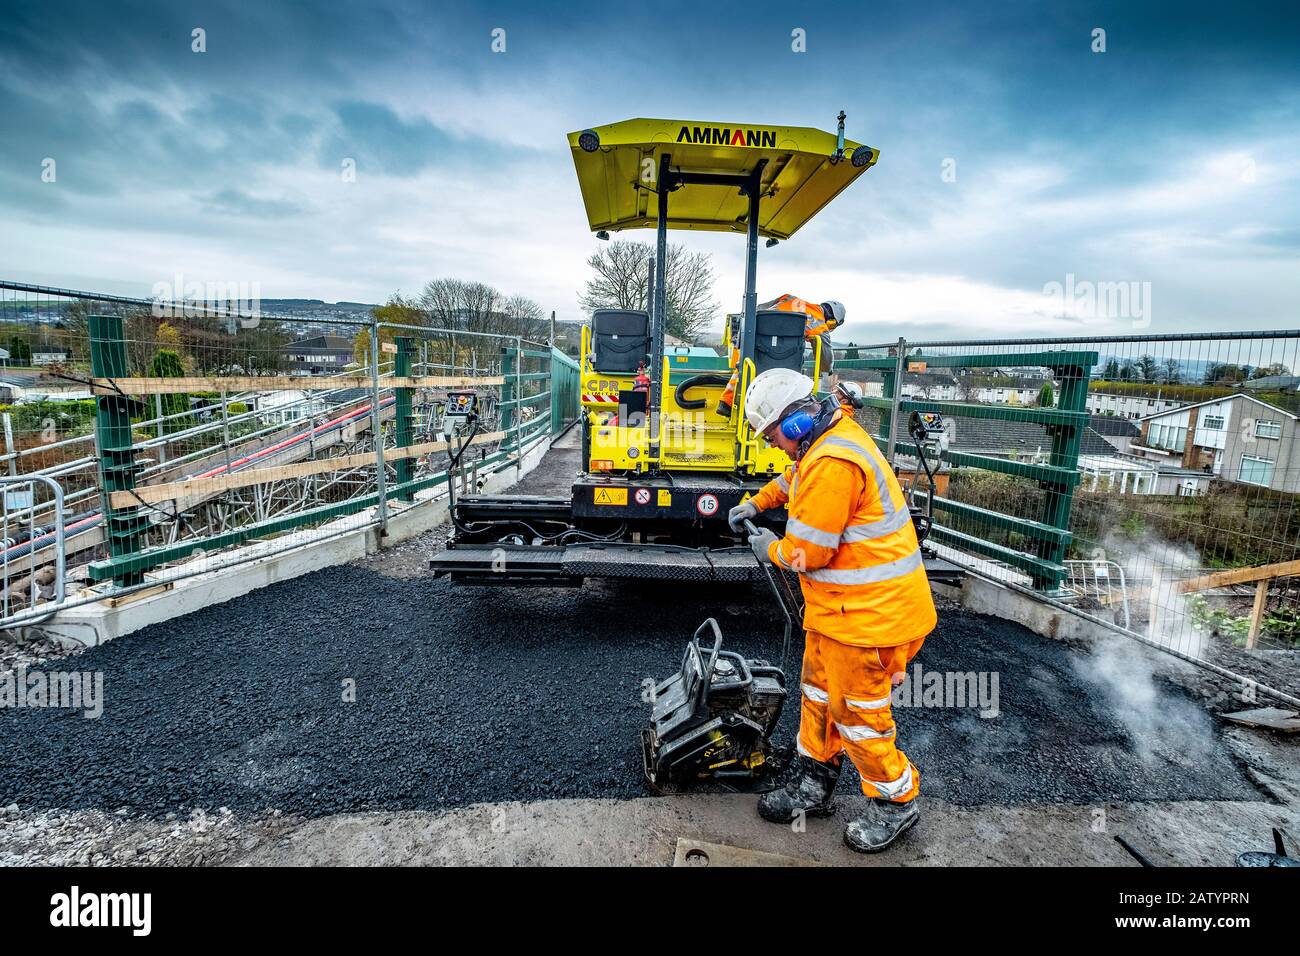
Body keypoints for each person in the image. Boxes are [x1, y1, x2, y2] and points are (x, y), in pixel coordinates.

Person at [727, 368, 937, 852]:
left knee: (859, 713)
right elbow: (791, 477)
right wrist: (758, 504)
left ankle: (896, 802)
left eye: (771, 434)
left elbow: (809, 552)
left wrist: (770, 549)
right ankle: (812, 784)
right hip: (838, 612)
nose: (773, 444)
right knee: (818, 696)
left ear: (794, 423)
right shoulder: (824, 439)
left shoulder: (834, 461)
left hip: (870, 618)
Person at [716, 296, 844, 417]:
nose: (829, 327)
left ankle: (726, 402)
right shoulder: (821, 326)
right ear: (831, 319)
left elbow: (757, 310)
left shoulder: (789, 298)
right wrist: (827, 368)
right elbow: (826, 359)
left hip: (753, 350)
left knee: (743, 368)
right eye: (832, 325)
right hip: (785, 363)